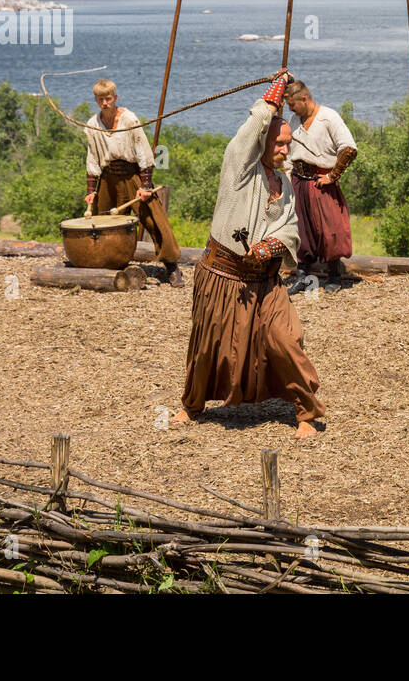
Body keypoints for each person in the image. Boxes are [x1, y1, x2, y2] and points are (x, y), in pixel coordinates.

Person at [174, 69, 325, 440]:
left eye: (288, 144)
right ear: (261, 143)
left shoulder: (284, 182)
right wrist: (276, 90)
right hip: (222, 276)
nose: (285, 150)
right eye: (279, 144)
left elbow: (288, 228)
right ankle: (192, 405)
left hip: (265, 280)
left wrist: (269, 246)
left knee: (285, 339)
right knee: (210, 346)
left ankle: (306, 411)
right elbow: (256, 121)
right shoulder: (239, 167)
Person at [84, 79, 183, 287]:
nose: (105, 103)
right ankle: (108, 263)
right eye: (100, 99)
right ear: (96, 100)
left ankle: (172, 267)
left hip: (132, 177)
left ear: (115, 98)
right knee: (102, 222)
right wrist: (91, 190)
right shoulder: (93, 125)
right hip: (108, 178)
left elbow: (143, 153)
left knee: (154, 219)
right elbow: (92, 157)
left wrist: (145, 186)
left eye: (108, 99)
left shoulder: (129, 119)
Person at [283, 80, 358, 293]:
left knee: (330, 231)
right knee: (300, 231)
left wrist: (332, 176)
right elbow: (289, 151)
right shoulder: (294, 119)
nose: (290, 109)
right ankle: (302, 276)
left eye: (292, 104)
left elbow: (349, 148)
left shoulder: (329, 117)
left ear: (304, 99)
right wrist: (288, 177)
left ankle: (334, 276)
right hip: (298, 182)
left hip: (321, 184)